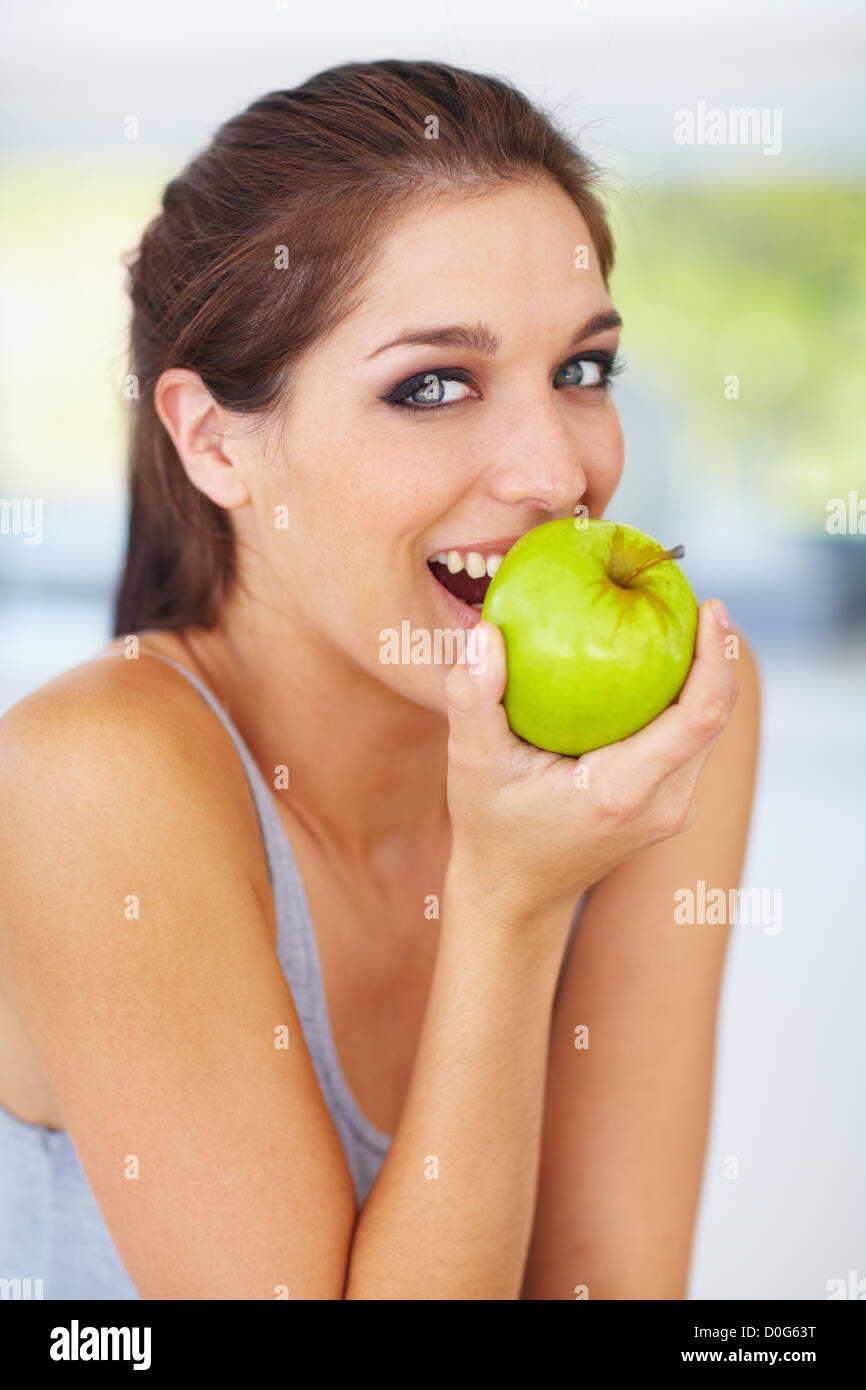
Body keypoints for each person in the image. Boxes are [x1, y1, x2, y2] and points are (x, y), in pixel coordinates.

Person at [0, 59, 759, 1300]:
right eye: (431, 386)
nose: (555, 476)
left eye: (580, 371)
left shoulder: (678, 718)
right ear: (215, 440)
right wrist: (508, 906)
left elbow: (607, 1293)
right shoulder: (91, 778)